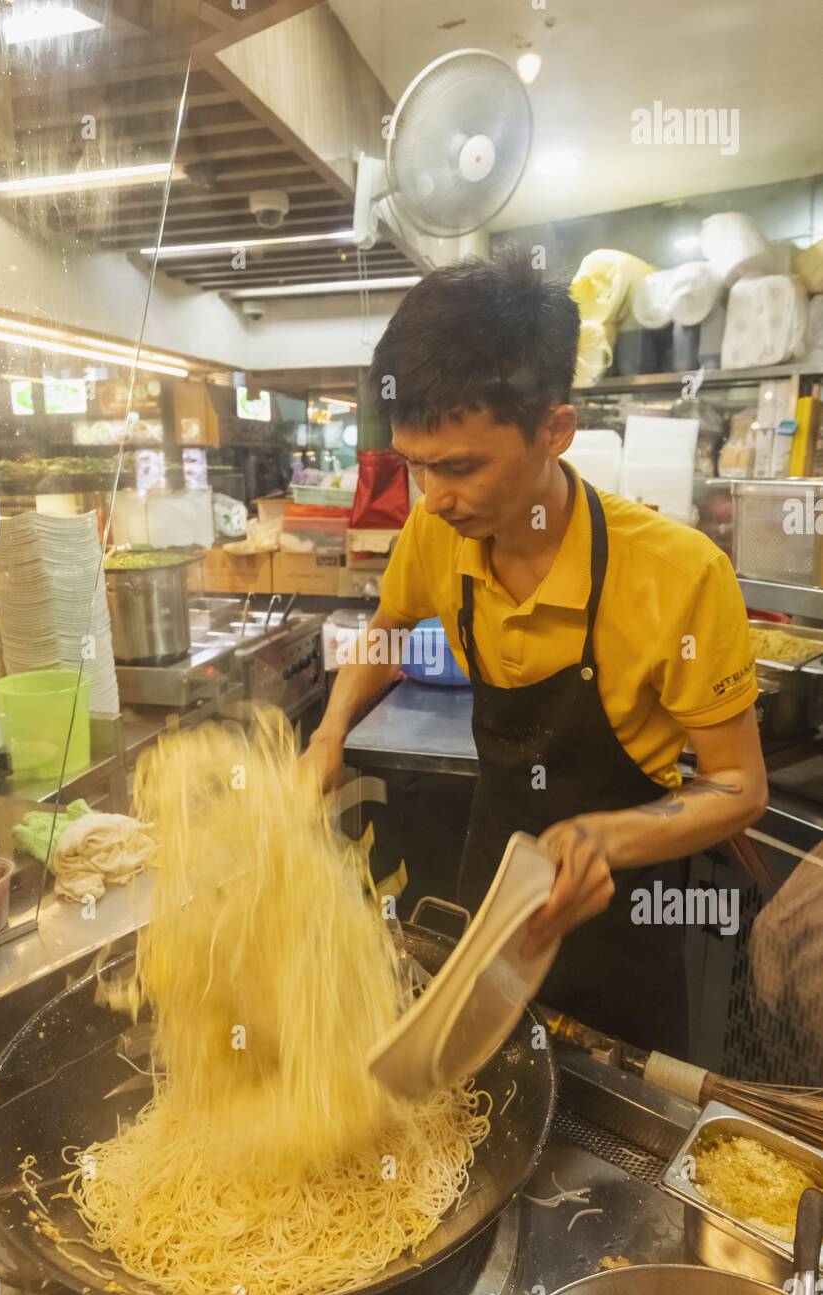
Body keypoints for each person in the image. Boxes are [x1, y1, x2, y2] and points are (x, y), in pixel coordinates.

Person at [301, 251, 767, 1055]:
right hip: (491, 888)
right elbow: (391, 625)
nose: (432, 499)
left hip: (621, 920)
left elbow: (739, 786)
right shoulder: (436, 533)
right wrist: (329, 732)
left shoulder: (679, 574)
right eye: (415, 466)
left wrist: (602, 839)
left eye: (459, 467)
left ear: (555, 430)